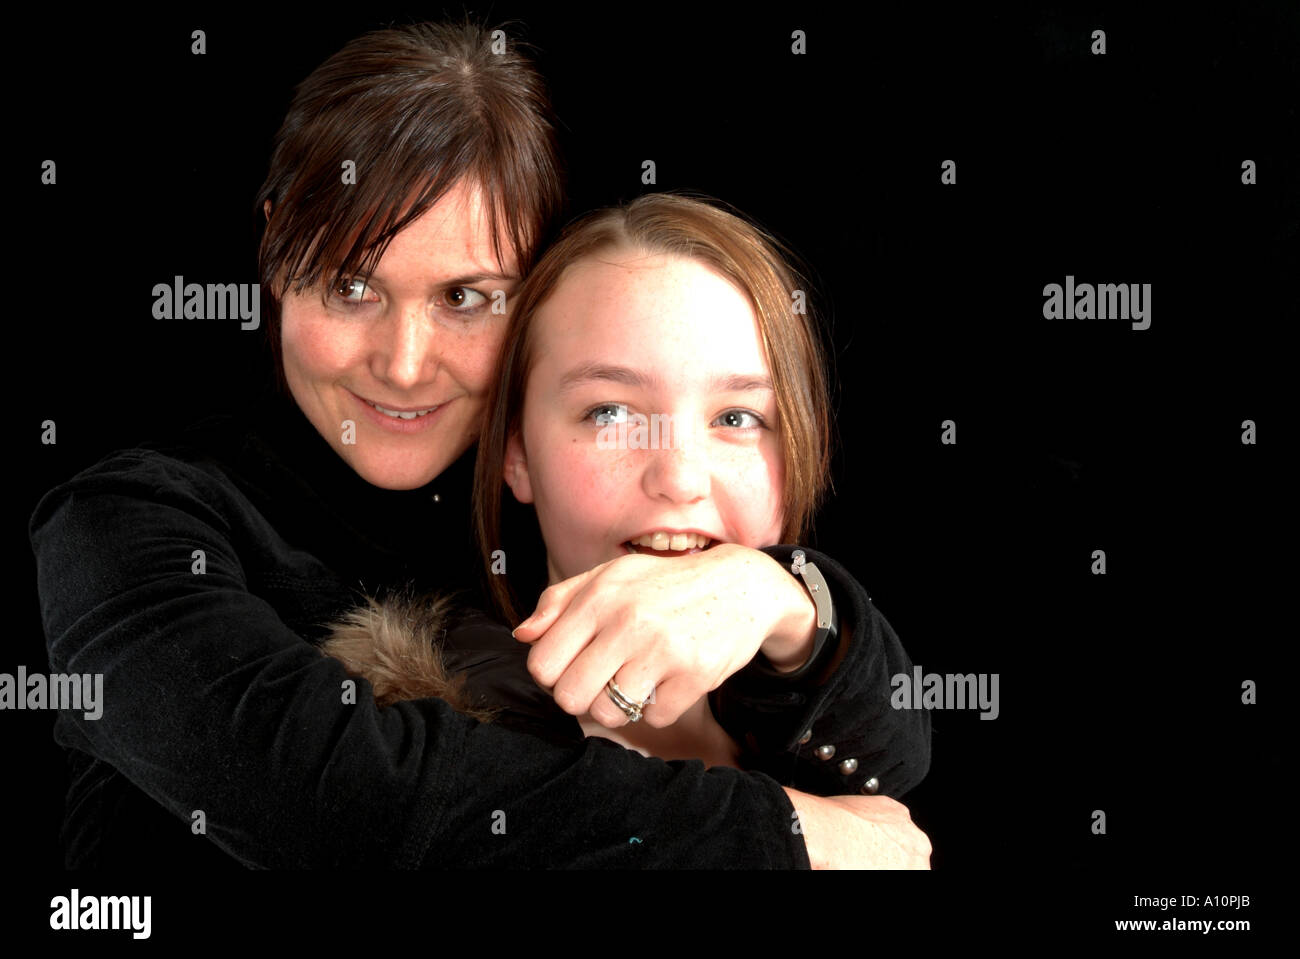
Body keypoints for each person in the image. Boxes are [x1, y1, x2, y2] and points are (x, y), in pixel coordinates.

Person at [29, 20, 930, 869]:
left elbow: (892, 752)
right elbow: (326, 796)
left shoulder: (578, 503)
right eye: (351, 286)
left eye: (465, 297)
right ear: (273, 250)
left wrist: (786, 600)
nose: (405, 364)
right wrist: (786, 837)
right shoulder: (129, 521)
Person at [323, 193, 930, 787]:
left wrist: (787, 606)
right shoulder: (405, 747)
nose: (680, 479)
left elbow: (900, 749)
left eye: (737, 418)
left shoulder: (818, 729)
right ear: (517, 454)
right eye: (610, 414)